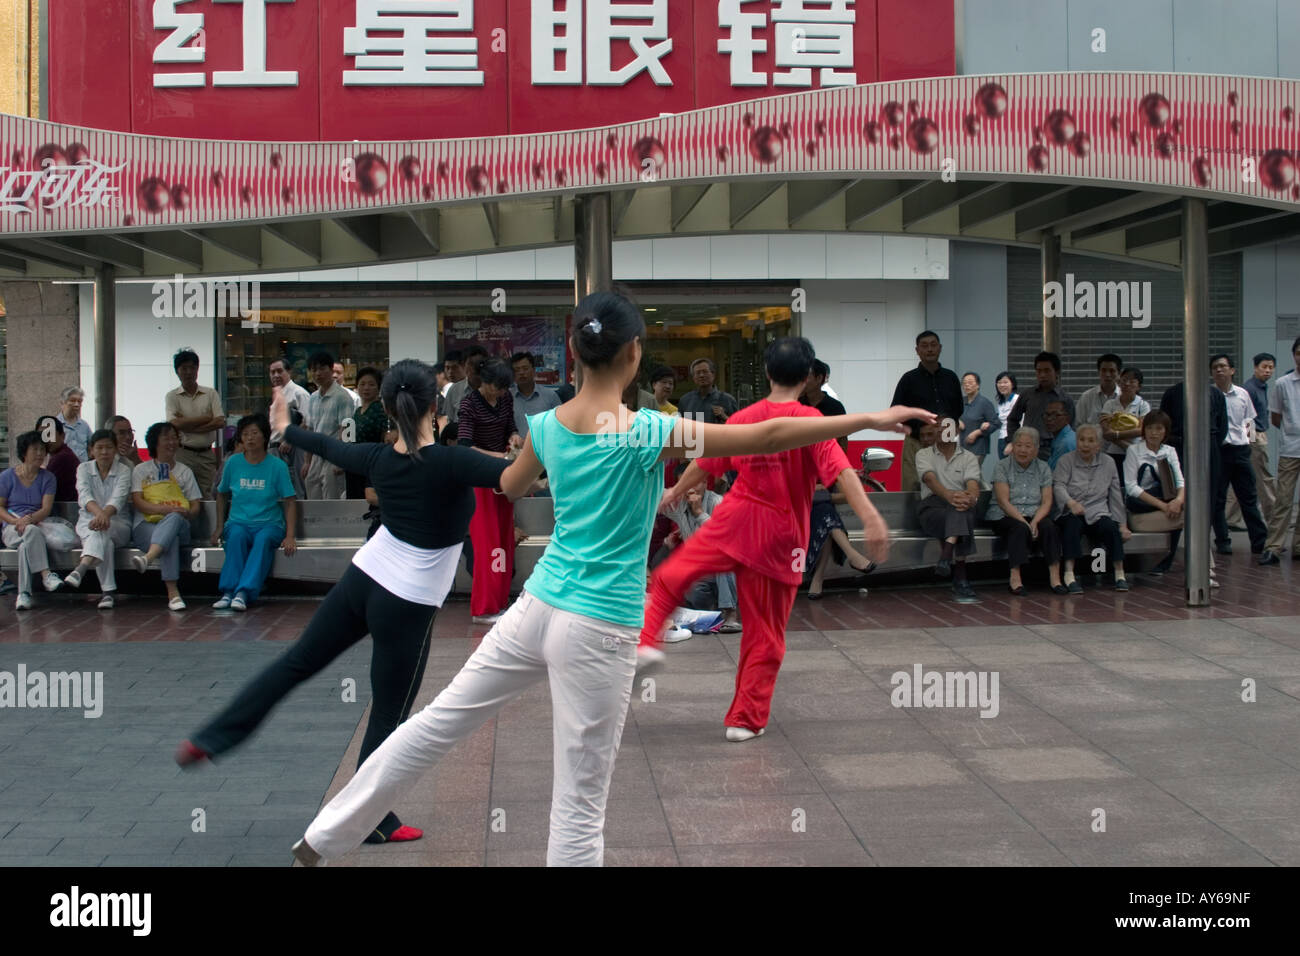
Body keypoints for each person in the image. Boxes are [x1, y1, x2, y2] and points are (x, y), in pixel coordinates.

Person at [288, 294, 930, 866]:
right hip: (600, 625)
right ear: (634, 353)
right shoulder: (648, 431)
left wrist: (437, 457)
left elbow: (511, 484)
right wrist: (867, 418)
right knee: (578, 804)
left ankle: (323, 835)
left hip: (535, 608)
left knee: (434, 723)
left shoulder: (546, 426)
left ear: (572, 351)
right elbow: (767, 432)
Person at [176, 359, 511, 848]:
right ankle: (371, 819)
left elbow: (329, 446)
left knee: (297, 662)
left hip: (364, 578)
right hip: (408, 601)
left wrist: (286, 427)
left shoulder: (377, 457)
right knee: (388, 714)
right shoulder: (451, 463)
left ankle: (211, 737)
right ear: (435, 406)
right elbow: (514, 476)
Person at [639, 335, 912, 744]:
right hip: (782, 539)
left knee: (668, 577)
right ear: (806, 378)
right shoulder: (814, 425)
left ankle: (646, 643)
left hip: (734, 522)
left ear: (767, 373)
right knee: (764, 633)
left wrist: (675, 494)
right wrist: (871, 516)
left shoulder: (744, 417)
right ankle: (744, 720)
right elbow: (842, 473)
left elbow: (704, 463)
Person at [210, 413, 298, 612]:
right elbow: (221, 494)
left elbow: (290, 502)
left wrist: (290, 535)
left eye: (254, 433)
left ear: (265, 437)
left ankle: (243, 593)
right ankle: (228, 592)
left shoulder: (277, 466)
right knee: (236, 537)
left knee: (263, 540)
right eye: (245, 434)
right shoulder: (233, 463)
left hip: (270, 524)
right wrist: (219, 526)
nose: (249, 438)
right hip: (238, 522)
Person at [459, 357, 522, 624]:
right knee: (486, 543)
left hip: (501, 475)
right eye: (497, 387)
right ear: (484, 382)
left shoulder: (506, 399)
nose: (501, 392)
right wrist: (495, 456)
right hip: (478, 477)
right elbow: (464, 445)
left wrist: (514, 437)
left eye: (505, 388)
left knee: (503, 539)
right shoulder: (469, 403)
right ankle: (483, 607)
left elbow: (510, 426)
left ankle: (498, 600)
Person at [130, 422, 201, 611]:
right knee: (171, 538)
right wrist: (165, 510)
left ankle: (149, 557)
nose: (171, 442)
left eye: (174, 438)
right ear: (155, 442)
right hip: (146, 525)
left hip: (180, 523)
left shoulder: (184, 471)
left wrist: (187, 513)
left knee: (175, 520)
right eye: (166, 438)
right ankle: (173, 593)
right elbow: (138, 502)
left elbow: (196, 505)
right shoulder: (141, 470)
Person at [0, 431, 74, 609]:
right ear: (24, 452)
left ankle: (24, 594)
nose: (40, 454)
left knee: (28, 542)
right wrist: (14, 521)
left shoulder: (48, 478)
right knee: (31, 532)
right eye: (35, 449)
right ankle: (46, 574)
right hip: (11, 528)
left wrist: (29, 520)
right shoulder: (6, 477)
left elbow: (46, 509)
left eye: (43, 449)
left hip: (36, 525)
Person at [986, 427, 1064, 594]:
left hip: (1034, 513)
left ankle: (1055, 578)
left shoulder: (1043, 468)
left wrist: (1035, 521)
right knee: (1019, 528)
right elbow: (1003, 501)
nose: (1022, 450)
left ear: (1036, 450)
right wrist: (1024, 522)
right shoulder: (1002, 466)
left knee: (1049, 527)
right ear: (1013, 446)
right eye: (1019, 445)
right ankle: (1015, 578)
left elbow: (1047, 501)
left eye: (1028, 446)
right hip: (1004, 515)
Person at [653, 480, 740, 632]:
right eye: (686, 484)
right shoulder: (680, 505)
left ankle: (730, 613)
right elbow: (656, 495)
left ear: (706, 483)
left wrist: (699, 512)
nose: (691, 488)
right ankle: (709, 614)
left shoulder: (718, 502)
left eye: (696, 483)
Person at [1054, 424, 1131, 592]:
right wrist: (1071, 502)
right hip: (1072, 510)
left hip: (1098, 510)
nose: (1085, 444)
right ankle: (1069, 575)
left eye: (1090, 441)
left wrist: (1122, 524)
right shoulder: (1065, 461)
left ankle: (1119, 574)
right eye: (1081, 440)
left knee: (1110, 528)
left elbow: (1115, 494)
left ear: (1098, 445)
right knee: (1071, 526)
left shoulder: (1108, 462)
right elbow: (1058, 486)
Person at [64, 428, 133, 609]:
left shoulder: (124, 471)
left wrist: (104, 516)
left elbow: (118, 498)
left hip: (119, 524)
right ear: (91, 450)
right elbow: (84, 496)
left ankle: (82, 567)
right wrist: (100, 515)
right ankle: (108, 593)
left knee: (104, 530)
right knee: (104, 540)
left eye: (109, 448)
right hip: (89, 522)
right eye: (100, 448)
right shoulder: (83, 469)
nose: (104, 452)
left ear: (115, 449)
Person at [915, 418, 982, 603]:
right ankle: (960, 574)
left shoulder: (968, 457)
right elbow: (929, 479)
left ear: (956, 432)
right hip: (932, 507)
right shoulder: (923, 454)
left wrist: (971, 499)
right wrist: (949, 496)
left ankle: (946, 558)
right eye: (939, 427)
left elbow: (972, 484)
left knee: (962, 511)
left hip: (958, 506)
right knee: (961, 513)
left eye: (947, 428)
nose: (942, 431)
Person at [1209, 354, 1268, 556]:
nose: (1219, 370)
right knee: (1218, 500)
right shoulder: (1207, 394)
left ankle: (1259, 542)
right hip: (1219, 452)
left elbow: (1249, 420)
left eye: (1223, 366)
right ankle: (1223, 540)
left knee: (1249, 498)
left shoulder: (1242, 394)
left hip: (1241, 451)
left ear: (1232, 370)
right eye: (1215, 367)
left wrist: (1250, 444)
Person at [890, 331, 963, 489]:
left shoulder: (951, 377)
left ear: (940, 348)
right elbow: (895, 412)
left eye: (933, 345)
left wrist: (945, 429)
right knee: (913, 489)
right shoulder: (908, 379)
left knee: (951, 486)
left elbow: (958, 409)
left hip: (947, 443)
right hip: (917, 442)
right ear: (917, 351)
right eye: (924, 346)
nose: (929, 349)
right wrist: (922, 429)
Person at [1124, 410, 1186, 575]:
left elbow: (1180, 481)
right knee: (1191, 519)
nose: (1154, 433)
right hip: (1142, 512)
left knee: (1191, 516)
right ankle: (1205, 570)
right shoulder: (1134, 451)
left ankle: (1203, 569)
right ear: (1144, 430)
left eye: (1159, 428)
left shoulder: (1170, 451)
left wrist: (1178, 501)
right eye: (1150, 428)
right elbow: (1131, 487)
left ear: (1166, 431)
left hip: (1167, 509)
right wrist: (1164, 506)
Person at [1260, 336, 1300, 565]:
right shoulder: (1282, 383)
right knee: (1283, 500)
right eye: (1298, 352)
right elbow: (1276, 417)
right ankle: (1273, 547)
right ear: (1294, 355)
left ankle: (1298, 546)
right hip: (1290, 449)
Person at [166, 348, 225, 499]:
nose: (188, 372)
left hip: (206, 454)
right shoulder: (172, 396)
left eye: (192, 367)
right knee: (182, 494)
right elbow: (174, 424)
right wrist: (205, 418)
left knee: (209, 494)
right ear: (177, 371)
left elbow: (220, 421)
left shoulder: (210, 393)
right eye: (184, 368)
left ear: (197, 369)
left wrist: (188, 425)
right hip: (183, 453)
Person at [1226, 352, 1276, 529]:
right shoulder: (1250, 388)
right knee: (1264, 479)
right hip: (1254, 437)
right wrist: (1252, 441)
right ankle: (1273, 518)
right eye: (1264, 367)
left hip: (1257, 436)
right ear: (1255, 368)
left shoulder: (1261, 386)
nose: (1268, 371)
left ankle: (1231, 518)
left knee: (1243, 479)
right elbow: (1247, 418)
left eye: (1271, 367)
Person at [302, 351, 353, 500]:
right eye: (314, 369)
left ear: (331, 370)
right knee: (313, 496)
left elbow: (348, 430)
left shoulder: (342, 397)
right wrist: (307, 461)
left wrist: (342, 460)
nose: (318, 373)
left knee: (332, 500)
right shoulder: (313, 398)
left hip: (334, 455)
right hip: (316, 455)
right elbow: (310, 430)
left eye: (322, 368)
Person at [1008, 351, 1074, 461]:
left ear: (1056, 372)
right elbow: (1012, 419)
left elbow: (1071, 427)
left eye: (1047, 371)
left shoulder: (1065, 399)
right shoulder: (1027, 394)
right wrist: (1015, 441)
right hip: (1029, 449)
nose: (1042, 375)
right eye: (1039, 371)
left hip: (1055, 449)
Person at [268, 357, 311, 499]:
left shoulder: (298, 393)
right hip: (274, 448)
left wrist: (290, 440)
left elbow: (307, 422)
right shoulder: (277, 394)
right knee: (279, 489)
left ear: (289, 372)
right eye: (272, 372)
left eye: (279, 371)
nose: (275, 375)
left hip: (292, 448)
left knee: (296, 488)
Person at [346, 367, 390, 500]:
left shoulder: (380, 410)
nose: (366, 388)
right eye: (362, 384)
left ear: (379, 387)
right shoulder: (357, 411)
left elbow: (385, 436)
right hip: (353, 462)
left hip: (371, 463)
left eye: (371, 384)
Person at [1099, 367, 1149, 471]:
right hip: (1113, 453)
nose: (1127, 384)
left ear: (1139, 386)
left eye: (1132, 381)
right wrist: (1127, 445)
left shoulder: (1143, 405)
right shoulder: (1110, 404)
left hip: (1137, 454)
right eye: (1124, 380)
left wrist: (1116, 434)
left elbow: (1142, 430)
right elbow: (1107, 433)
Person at [510, 352, 561, 438]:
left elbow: (560, 425)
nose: (521, 373)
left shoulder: (550, 396)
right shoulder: (507, 398)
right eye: (517, 370)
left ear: (534, 371)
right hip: (516, 449)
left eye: (525, 368)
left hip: (544, 449)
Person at [802, 359, 848, 452]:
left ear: (819, 378)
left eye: (806, 376)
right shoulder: (798, 404)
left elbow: (842, 441)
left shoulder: (835, 407)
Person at [677, 357, 738, 424]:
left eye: (705, 372)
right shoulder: (685, 400)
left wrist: (725, 417)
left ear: (713, 375)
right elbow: (680, 428)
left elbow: (738, 428)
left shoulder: (728, 400)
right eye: (698, 373)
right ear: (693, 378)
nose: (701, 375)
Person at [958, 371, 999, 465]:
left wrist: (978, 432)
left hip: (977, 446)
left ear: (978, 385)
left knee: (972, 474)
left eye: (970, 382)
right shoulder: (960, 401)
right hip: (961, 445)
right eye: (964, 383)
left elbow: (995, 423)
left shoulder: (984, 403)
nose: (967, 385)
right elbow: (951, 415)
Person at [35, 415, 79, 502]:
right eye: (42, 435)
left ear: (62, 436)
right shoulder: (56, 455)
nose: (46, 439)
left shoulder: (62, 457)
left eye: (50, 434)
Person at [444, 346, 488, 429]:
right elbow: (450, 421)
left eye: (479, 363)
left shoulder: (495, 388)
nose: (475, 368)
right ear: (463, 365)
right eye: (471, 364)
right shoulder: (454, 390)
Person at [1074, 353, 1123, 427]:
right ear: (1098, 372)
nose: (1107, 374)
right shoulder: (1086, 397)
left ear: (1119, 373)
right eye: (1103, 370)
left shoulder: (1123, 396)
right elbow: (1078, 425)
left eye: (1112, 371)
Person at [57, 386, 92, 462]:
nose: (77, 404)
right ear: (62, 403)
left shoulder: (84, 425)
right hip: (62, 468)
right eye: (73, 401)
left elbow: (92, 446)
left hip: (82, 469)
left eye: (79, 401)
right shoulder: (53, 424)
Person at [1044, 400, 1076, 469]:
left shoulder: (1066, 443)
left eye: (1056, 415)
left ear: (1067, 418)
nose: (1049, 419)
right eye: (1047, 414)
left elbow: (1055, 475)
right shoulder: (1058, 438)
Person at [994, 371, 1019, 460]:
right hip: (1002, 438)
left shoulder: (1016, 400)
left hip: (1012, 439)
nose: (1002, 385)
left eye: (1005, 382)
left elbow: (1021, 422)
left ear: (1012, 384)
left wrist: (1012, 442)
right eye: (999, 383)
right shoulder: (1001, 402)